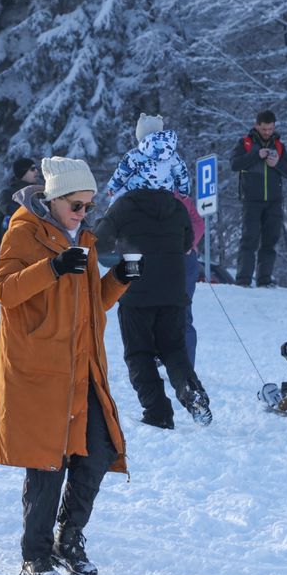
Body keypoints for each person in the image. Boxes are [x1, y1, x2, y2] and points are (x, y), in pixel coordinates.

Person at [0, 156, 134, 575]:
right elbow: (2, 290)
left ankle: (69, 540)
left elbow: (92, 305)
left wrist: (121, 278)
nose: (84, 212)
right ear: (53, 198)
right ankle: (35, 553)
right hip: (40, 369)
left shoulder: (83, 240)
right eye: (77, 204)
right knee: (46, 462)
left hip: (81, 367)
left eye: (89, 205)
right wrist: (50, 268)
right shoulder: (23, 232)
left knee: (96, 453)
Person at [95, 181, 212, 430]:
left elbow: (99, 244)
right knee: (174, 349)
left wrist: (120, 250)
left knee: (139, 353)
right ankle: (191, 389)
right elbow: (186, 243)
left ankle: (157, 411)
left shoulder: (123, 207)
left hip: (135, 290)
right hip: (173, 290)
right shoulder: (176, 206)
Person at [230, 110, 287, 287]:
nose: (267, 132)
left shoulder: (279, 146)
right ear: (257, 125)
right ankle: (243, 280)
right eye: (264, 129)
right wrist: (255, 155)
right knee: (249, 239)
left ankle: (264, 280)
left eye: (270, 129)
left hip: (274, 201)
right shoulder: (246, 143)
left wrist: (277, 164)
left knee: (270, 241)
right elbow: (234, 164)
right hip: (251, 200)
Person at [104, 114, 190, 202]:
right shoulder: (172, 155)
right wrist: (184, 192)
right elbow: (181, 173)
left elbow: (122, 172)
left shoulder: (134, 154)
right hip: (165, 194)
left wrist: (113, 187)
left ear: (140, 135)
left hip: (137, 191)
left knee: (116, 200)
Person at [174, 192, 205, 367]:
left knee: (182, 314)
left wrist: (189, 243)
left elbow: (198, 223)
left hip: (184, 260)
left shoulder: (180, 197)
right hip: (160, 260)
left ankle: (186, 366)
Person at [0, 157, 39, 245]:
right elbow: (7, 209)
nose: (36, 171)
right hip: (14, 246)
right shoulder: (8, 193)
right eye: (32, 169)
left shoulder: (39, 193)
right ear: (23, 172)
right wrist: (35, 212)